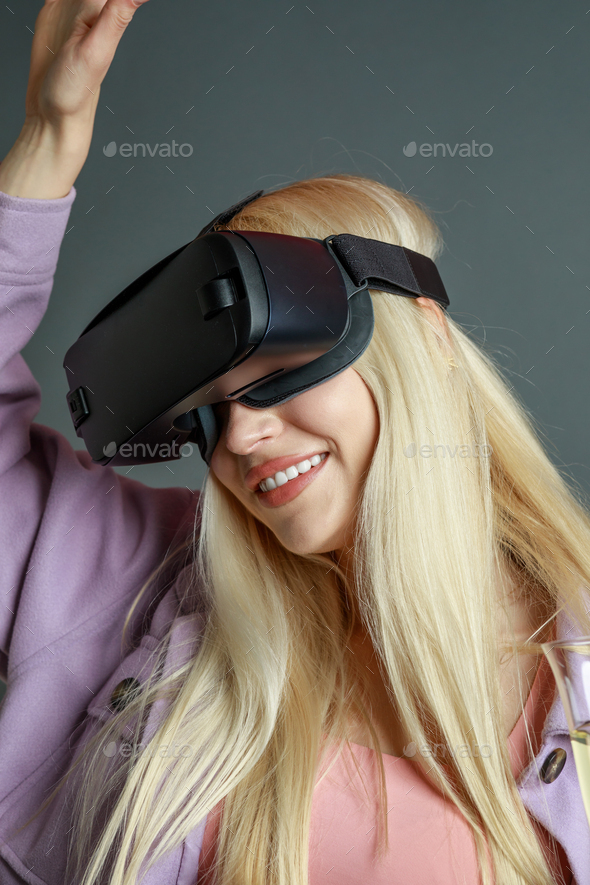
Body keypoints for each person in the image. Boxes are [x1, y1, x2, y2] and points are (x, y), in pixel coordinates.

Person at [0, 2, 589, 884]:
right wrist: (48, 139)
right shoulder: (139, 585)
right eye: (207, 408)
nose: (239, 434)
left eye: (278, 368)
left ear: (423, 336)